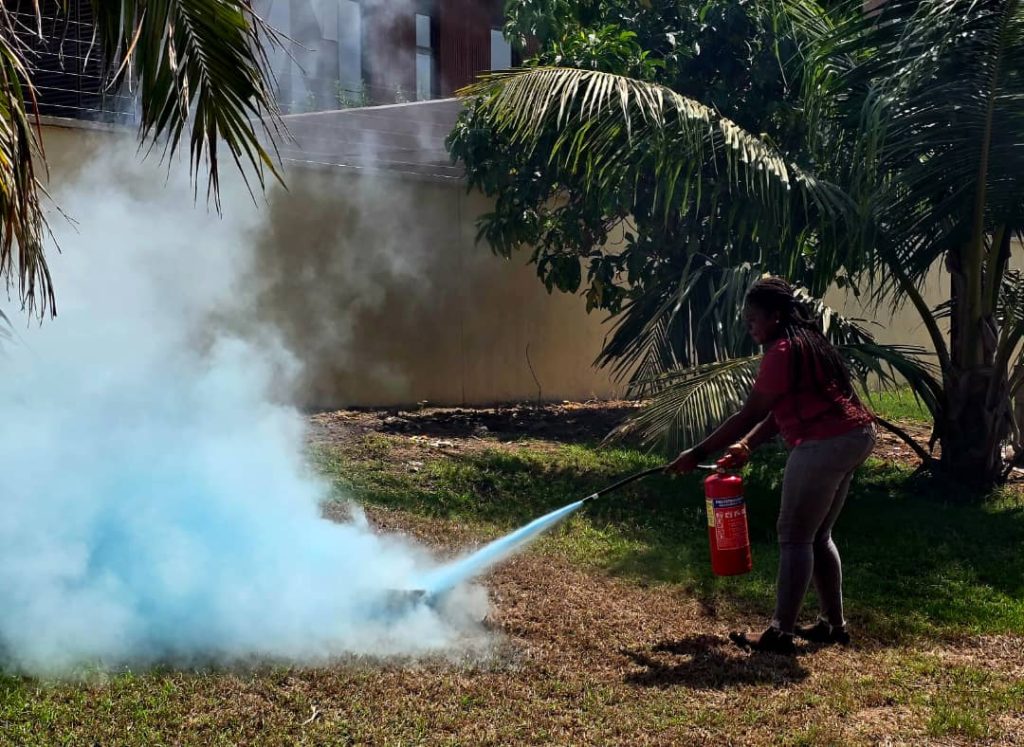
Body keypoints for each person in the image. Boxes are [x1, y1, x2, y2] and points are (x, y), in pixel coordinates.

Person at [667, 277, 876, 655]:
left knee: (795, 535)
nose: (749, 327)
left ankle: (780, 634)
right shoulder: (809, 343)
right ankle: (833, 625)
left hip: (825, 444)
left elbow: (751, 412)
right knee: (817, 534)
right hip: (856, 436)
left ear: (776, 317)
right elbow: (779, 411)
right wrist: (747, 446)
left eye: (753, 320)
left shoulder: (782, 351)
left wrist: (696, 454)